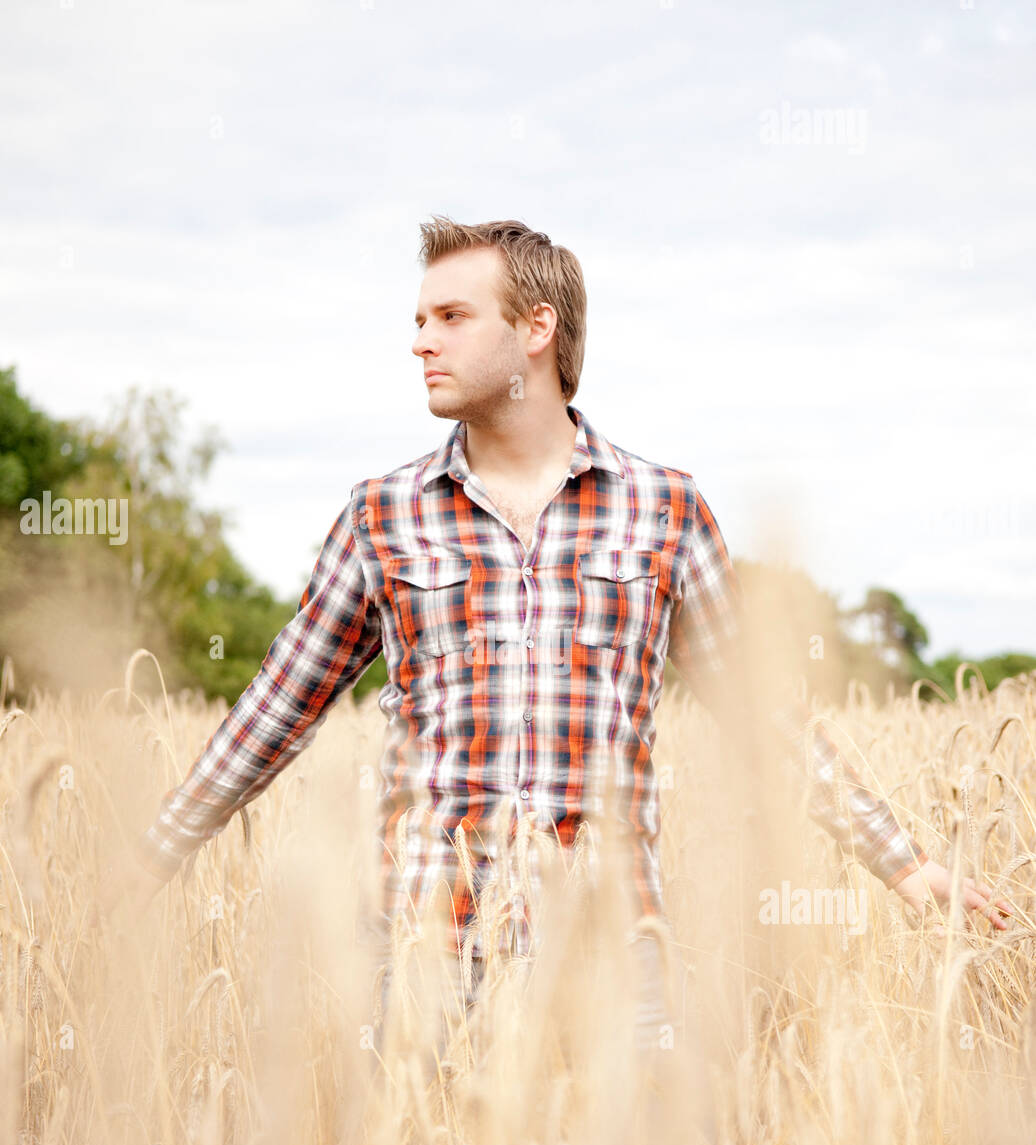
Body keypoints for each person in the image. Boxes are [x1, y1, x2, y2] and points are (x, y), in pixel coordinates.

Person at [101, 216, 1013, 1054]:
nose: (420, 339)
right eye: (419, 318)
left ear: (536, 330)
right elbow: (275, 710)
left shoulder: (666, 511)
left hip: (616, 958)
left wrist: (910, 869)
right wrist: (152, 857)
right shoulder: (383, 518)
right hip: (426, 965)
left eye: (452, 316)